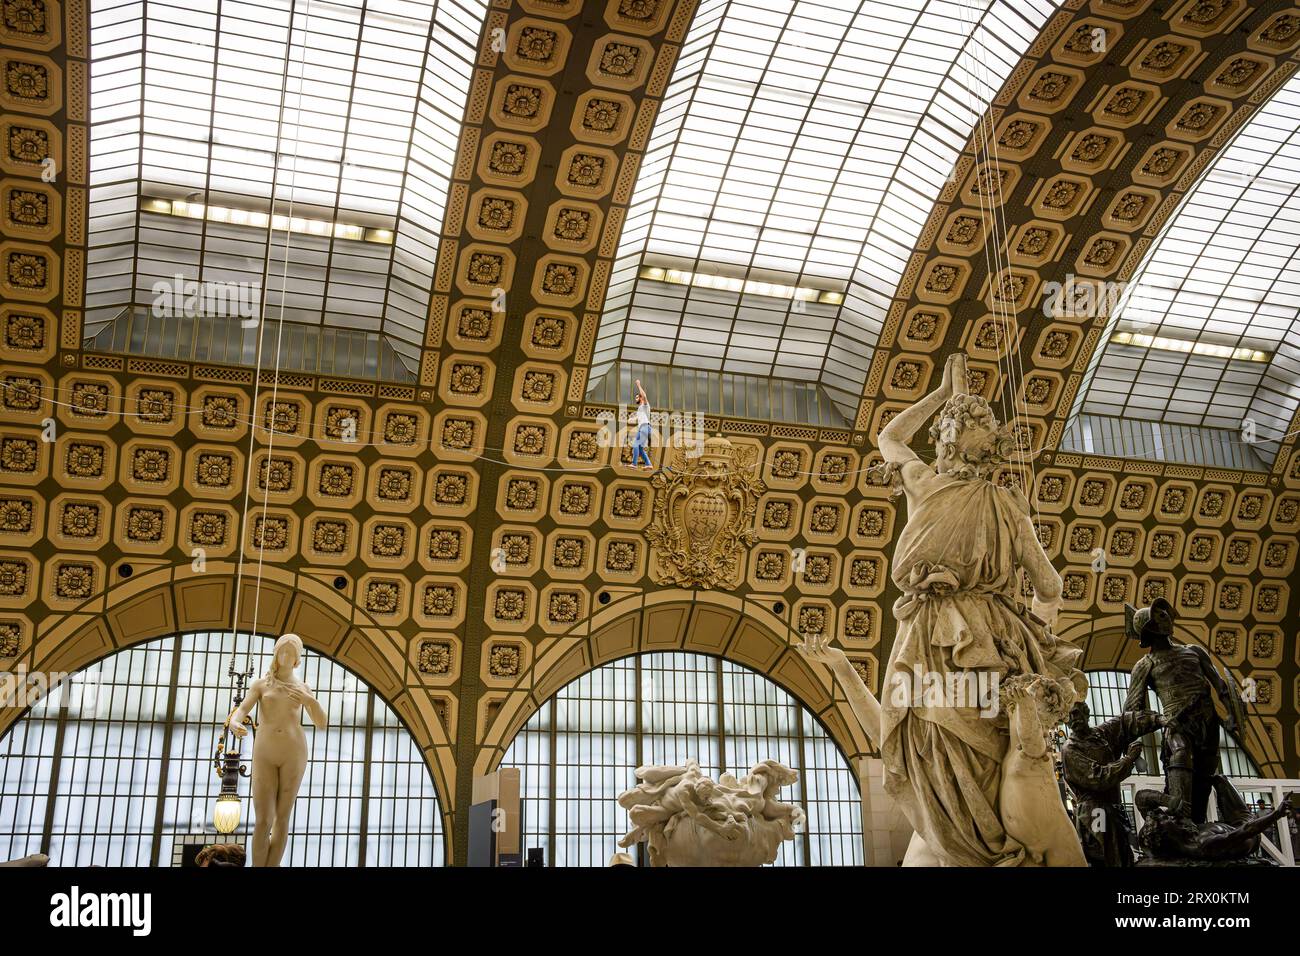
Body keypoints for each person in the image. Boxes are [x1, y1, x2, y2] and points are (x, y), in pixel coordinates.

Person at [871, 352, 1087, 866]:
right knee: (996, 749)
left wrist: (942, 394)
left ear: (944, 445)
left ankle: (959, 848)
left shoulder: (923, 483)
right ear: (992, 448)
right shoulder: (1007, 505)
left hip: (928, 640)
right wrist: (1036, 634)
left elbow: (889, 436)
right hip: (993, 641)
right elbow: (1050, 585)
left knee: (937, 745)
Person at [1123, 597, 1243, 823]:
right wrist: (1157, 721)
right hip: (1177, 725)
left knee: (1204, 778)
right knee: (1180, 755)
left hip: (1208, 723)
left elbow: (1220, 685)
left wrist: (1230, 715)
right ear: (1150, 628)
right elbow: (1131, 709)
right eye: (1160, 616)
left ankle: (1197, 825)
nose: (1167, 617)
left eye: (1164, 614)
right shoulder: (1145, 664)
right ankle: (1180, 818)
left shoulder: (1194, 651)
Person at [229, 633, 327, 867]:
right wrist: (234, 721)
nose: (285, 656)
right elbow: (242, 709)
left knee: (282, 818)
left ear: (297, 659)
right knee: (263, 819)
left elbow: (322, 723)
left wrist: (310, 701)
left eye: (291, 653)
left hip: (294, 751)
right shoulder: (261, 684)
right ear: (276, 654)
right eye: (282, 651)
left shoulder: (303, 687)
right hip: (265, 750)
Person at [1061, 700, 1163, 866]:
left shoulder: (1102, 733)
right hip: (1095, 812)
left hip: (1114, 809)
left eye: (1076, 713)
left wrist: (1158, 719)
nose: (1073, 719)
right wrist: (1128, 759)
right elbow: (1099, 778)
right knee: (1107, 856)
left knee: (1123, 856)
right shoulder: (1070, 749)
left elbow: (1125, 722)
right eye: (1068, 716)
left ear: (1086, 713)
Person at [1136, 778, 1295, 864]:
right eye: (1165, 818)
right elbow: (1247, 830)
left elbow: (1140, 799)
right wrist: (1276, 814)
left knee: (1202, 778)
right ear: (1167, 834)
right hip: (1243, 826)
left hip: (1226, 828)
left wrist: (1166, 800)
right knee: (1220, 779)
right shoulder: (1203, 844)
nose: (1168, 815)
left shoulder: (1170, 833)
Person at [628, 378, 653, 470]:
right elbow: (637, 418)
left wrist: (638, 385)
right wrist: (631, 419)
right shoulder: (640, 409)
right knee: (640, 448)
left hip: (645, 427)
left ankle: (634, 464)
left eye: (637, 397)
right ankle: (648, 464)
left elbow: (644, 396)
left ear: (641, 398)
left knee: (635, 444)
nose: (636, 399)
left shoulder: (645, 405)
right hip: (642, 428)